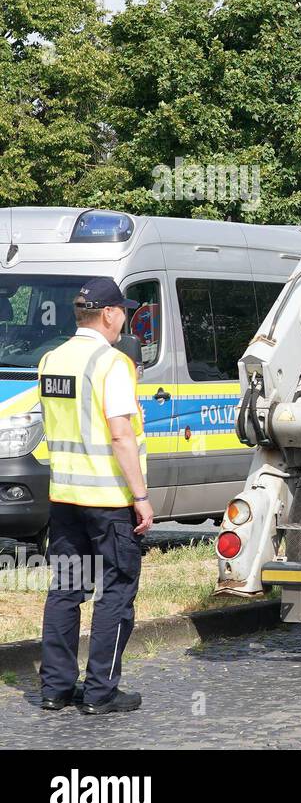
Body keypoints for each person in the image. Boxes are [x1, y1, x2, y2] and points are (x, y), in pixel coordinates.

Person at [36, 278, 153, 714]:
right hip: (108, 500)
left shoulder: (51, 360)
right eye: (123, 310)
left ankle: (55, 689)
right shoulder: (112, 363)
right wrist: (140, 496)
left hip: (64, 497)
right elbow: (121, 435)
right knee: (117, 592)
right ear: (108, 313)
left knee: (66, 590)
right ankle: (101, 692)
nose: (125, 316)